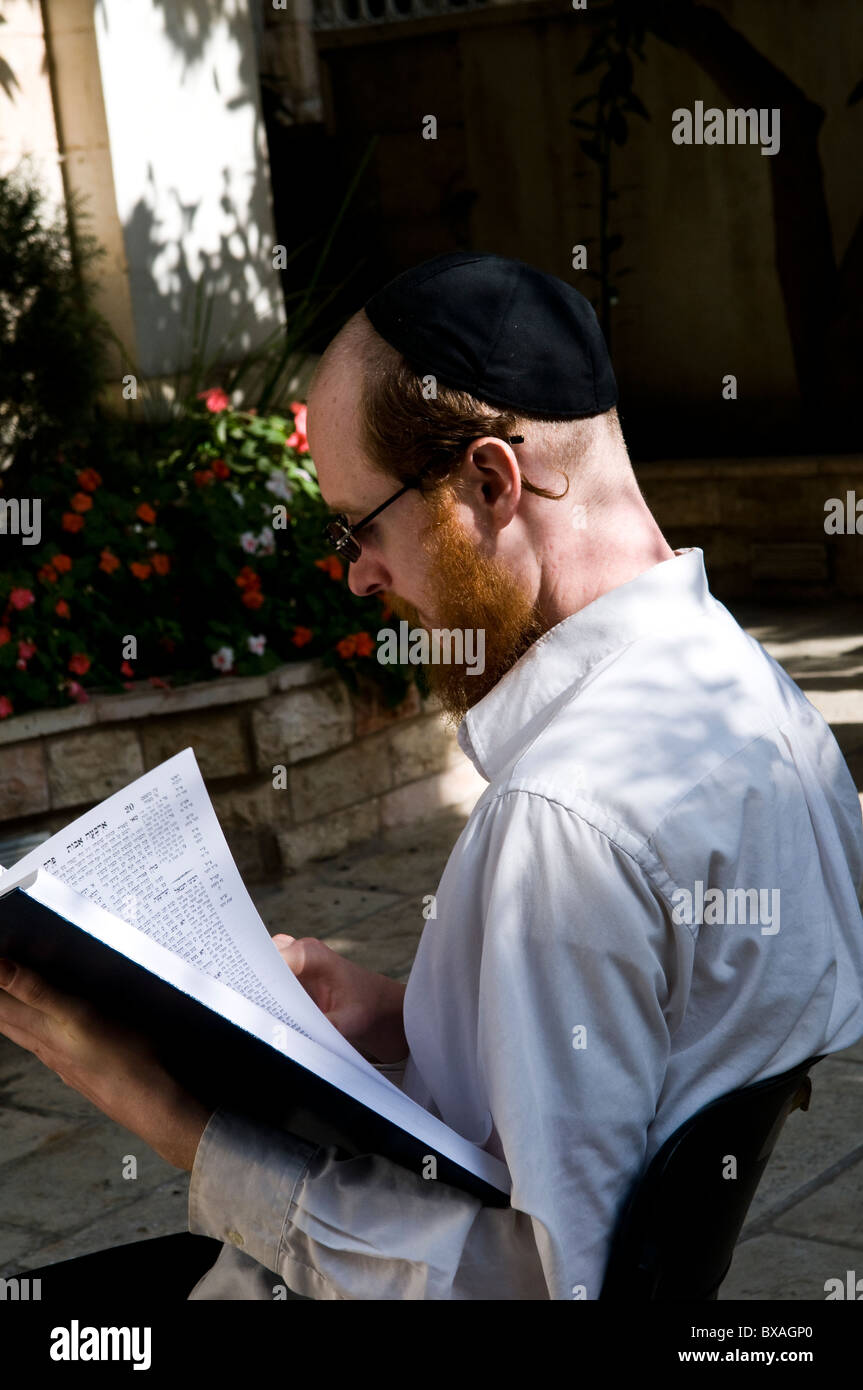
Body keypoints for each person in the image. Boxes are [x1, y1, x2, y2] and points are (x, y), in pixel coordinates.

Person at [1, 252, 862, 1301]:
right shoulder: (758, 698)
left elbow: (545, 1286)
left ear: (492, 482)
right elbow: (648, 1041)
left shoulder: (564, 822)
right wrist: (399, 1015)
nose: (358, 574)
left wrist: (180, 1124)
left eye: (361, 527)